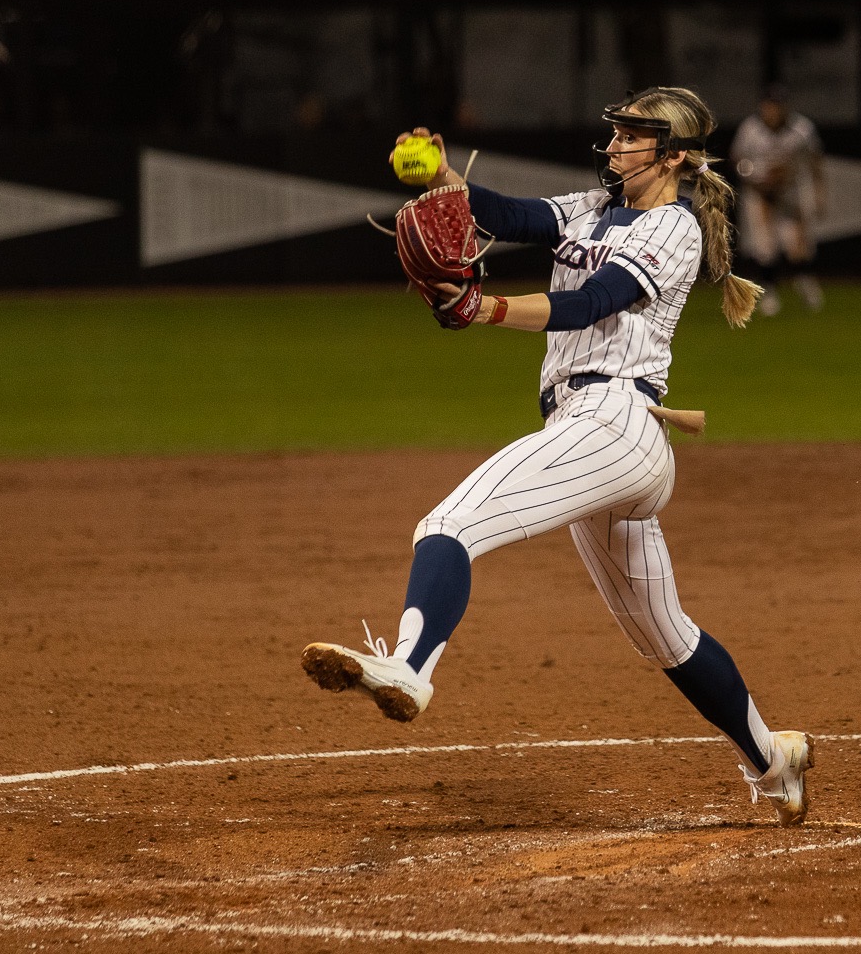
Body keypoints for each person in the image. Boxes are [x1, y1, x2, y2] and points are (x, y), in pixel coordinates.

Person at [301, 86, 816, 825]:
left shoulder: (673, 227)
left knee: (450, 524)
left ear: (674, 156)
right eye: (617, 132)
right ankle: (774, 761)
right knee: (665, 636)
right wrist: (443, 178)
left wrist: (485, 309)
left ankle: (408, 667)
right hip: (594, 435)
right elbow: (508, 215)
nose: (616, 144)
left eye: (633, 136)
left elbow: (591, 301)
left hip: (617, 422)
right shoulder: (591, 208)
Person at [729, 84, 827, 317]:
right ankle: (769, 293)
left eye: (777, 105)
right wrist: (754, 179)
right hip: (758, 191)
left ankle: (804, 280)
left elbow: (815, 160)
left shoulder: (801, 129)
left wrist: (819, 192)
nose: (773, 110)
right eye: (770, 105)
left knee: (797, 244)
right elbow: (737, 160)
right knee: (764, 246)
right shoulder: (750, 129)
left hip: (790, 191)